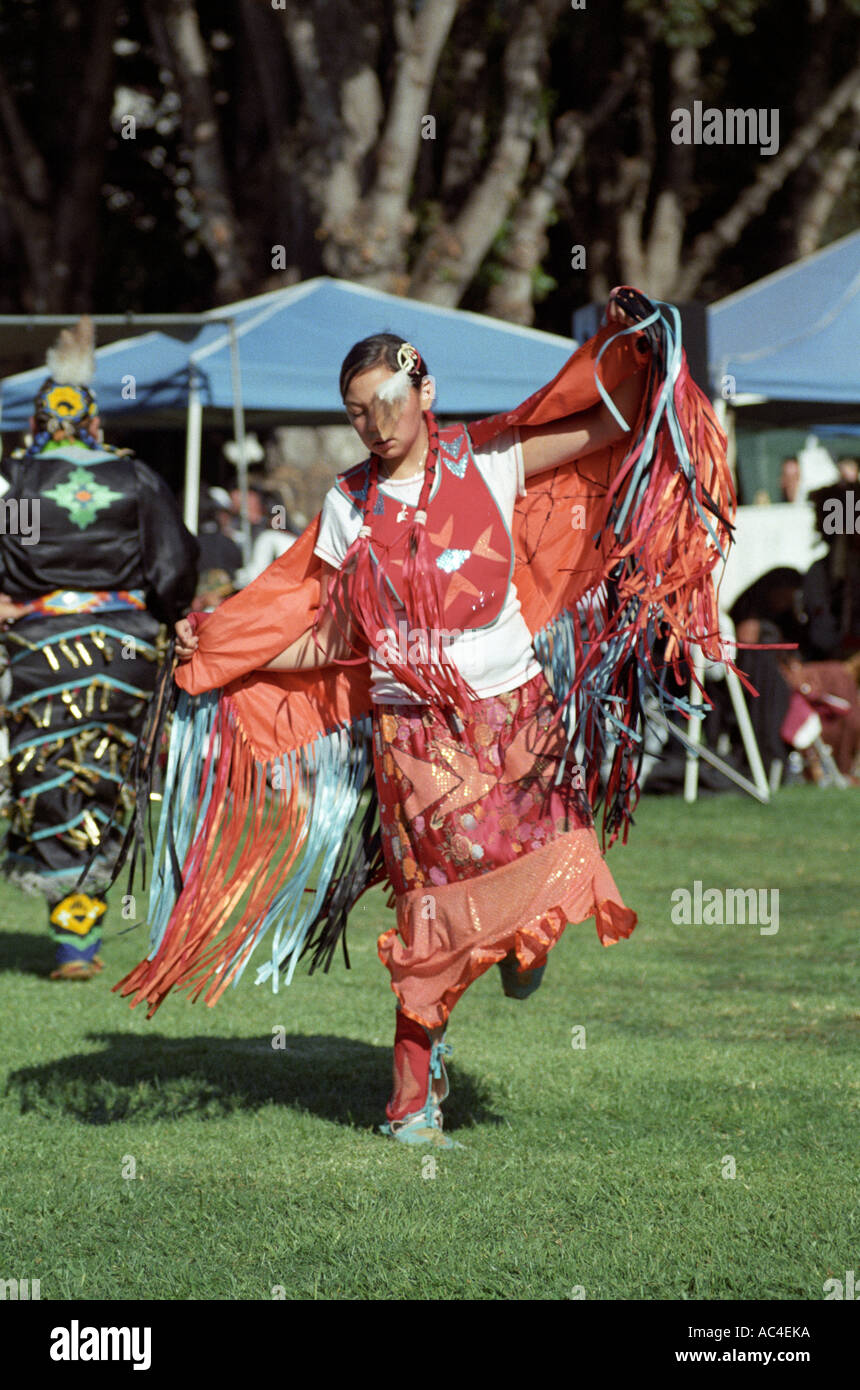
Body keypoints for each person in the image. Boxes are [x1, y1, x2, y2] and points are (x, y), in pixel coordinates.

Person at [118, 290, 734, 1146]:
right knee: (434, 914)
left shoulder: (490, 458)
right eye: (357, 411)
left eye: (387, 403)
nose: (374, 422)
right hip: (416, 741)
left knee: (557, 856)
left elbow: (615, 423)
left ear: (425, 391)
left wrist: (645, 344)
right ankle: (413, 1097)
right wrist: (231, 649)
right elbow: (332, 635)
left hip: (516, 714)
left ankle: (527, 943)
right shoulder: (349, 506)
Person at [0, 318, 198, 979]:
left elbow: (12, 558)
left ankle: (73, 940)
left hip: (40, 650)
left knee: (52, 775)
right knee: (111, 777)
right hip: (124, 655)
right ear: (94, 420)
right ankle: (82, 934)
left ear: (40, 418)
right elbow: (172, 566)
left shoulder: (19, 483)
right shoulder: (132, 479)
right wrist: (172, 615)